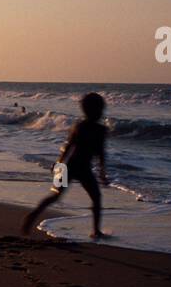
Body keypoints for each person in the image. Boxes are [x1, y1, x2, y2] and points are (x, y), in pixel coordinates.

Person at [21, 92, 109, 239]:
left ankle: (33, 215)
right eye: (99, 109)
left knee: (57, 195)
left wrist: (59, 163)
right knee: (95, 197)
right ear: (93, 110)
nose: (101, 113)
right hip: (80, 168)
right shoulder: (97, 129)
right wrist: (102, 171)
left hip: (70, 166)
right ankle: (96, 230)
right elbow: (99, 152)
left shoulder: (80, 126)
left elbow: (68, 147)